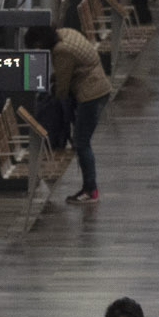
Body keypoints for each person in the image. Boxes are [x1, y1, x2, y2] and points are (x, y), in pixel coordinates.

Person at [49, 14, 111, 204]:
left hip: (90, 94)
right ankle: (89, 187)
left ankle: (90, 190)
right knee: (82, 141)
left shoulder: (61, 50)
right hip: (99, 87)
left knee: (82, 142)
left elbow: (63, 87)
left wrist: (52, 95)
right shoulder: (67, 32)